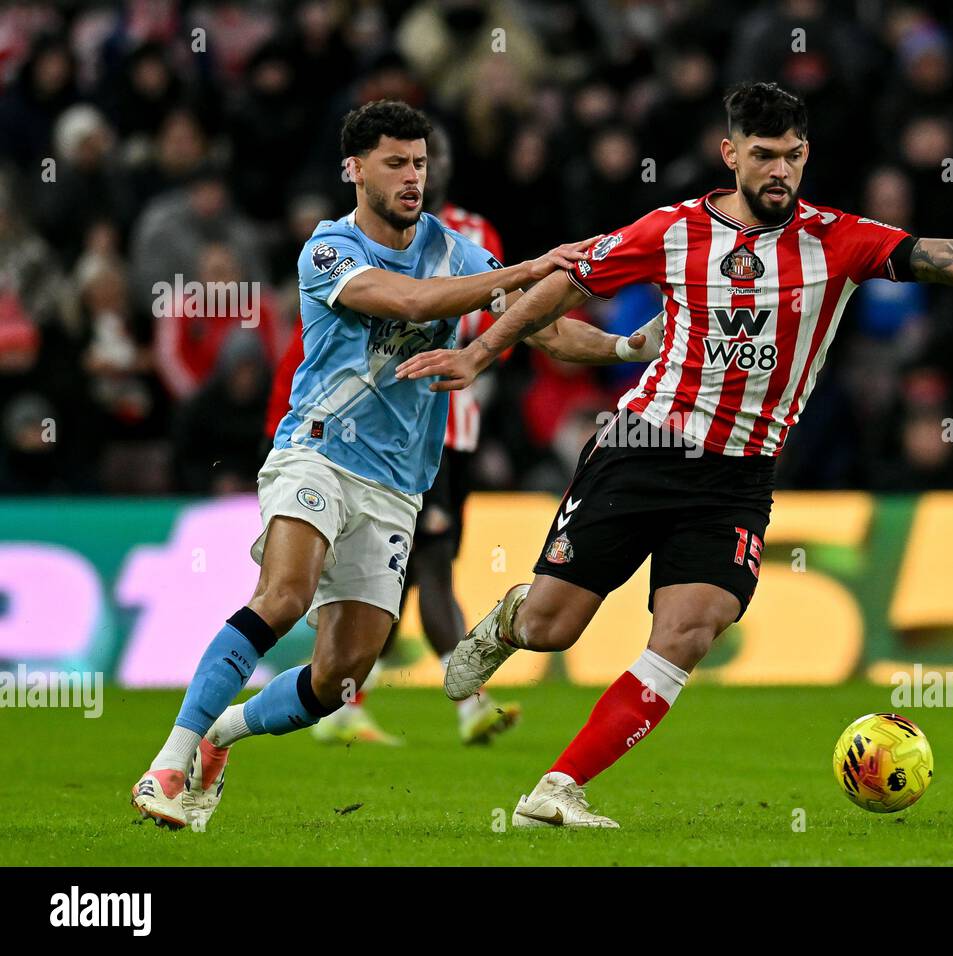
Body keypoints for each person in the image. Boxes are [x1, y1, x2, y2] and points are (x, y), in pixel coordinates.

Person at [396, 81, 953, 828]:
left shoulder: (840, 239)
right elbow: (566, 282)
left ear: (806, 154)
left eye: (792, 155)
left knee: (690, 631)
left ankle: (556, 789)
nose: (780, 170)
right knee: (552, 629)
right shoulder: (671, 230)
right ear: (731, 155)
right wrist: (483, 353)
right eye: (763, 156)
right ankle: (506, 625)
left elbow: (947, 257)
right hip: (645, 445)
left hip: (742, 473)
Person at [130, 99, 648, 831]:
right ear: (355, 169)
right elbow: (408, 302)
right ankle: (166, 766)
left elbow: (542, 326)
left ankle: (223, 736)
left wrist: (629, 350)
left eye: (420, 163)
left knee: (340, 678)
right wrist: (530, 268)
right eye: (396, 163)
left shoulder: (452, 248)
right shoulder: (328, 249)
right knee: (283, 596)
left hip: (398, 484)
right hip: (317, 451)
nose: (412, 178)